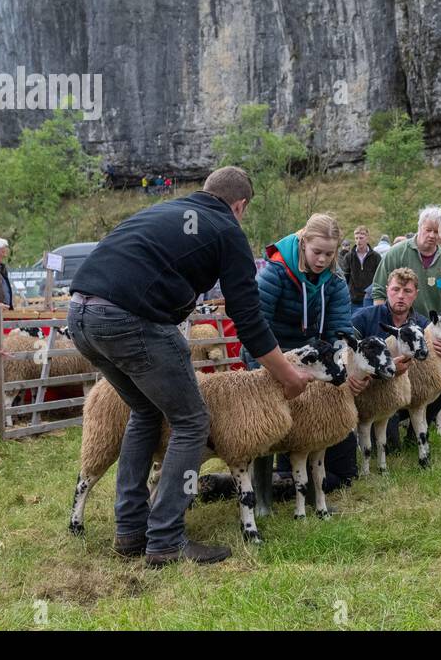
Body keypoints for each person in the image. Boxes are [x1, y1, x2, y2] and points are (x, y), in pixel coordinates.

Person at [66, 166, 310, 567]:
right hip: (129, 319)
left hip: (79, 315)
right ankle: (165, 539)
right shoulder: (227, 229)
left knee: (145, 409)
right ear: (240, 205)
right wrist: (287, 374)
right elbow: (247, 318)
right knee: (192, 420)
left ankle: (130, 530)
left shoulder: (165, 211)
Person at [253, 213, 365, 501]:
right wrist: (272, 373)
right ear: (303, 244)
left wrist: (344, 372)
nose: (323, 260)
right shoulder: (274, 273)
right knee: (270, 428)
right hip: (272, 359)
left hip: (317, 365)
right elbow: (255, 326)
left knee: (345, 472)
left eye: (330, 254)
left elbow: (339, 332)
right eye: (317, 252)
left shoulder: (335, 281)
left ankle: (295, 482)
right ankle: (261, 493)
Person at [353, 268, 441, 453]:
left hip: (407, 389)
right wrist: (385, 370)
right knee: (389, 448)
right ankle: (386, 422)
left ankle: (416, 434)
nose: (400, 296)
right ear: (386, 290)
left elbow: (436, 365)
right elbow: (348, 355)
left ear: (416, 294)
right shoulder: (364, 318)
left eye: (407, 291)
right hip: (372, 393)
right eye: (395, 289)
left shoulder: (423, 325)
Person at [370, 206, 441, 317]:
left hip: (430, 329)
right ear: (419, 227)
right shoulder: (396, 253)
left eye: (437, 232)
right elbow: (379, 291)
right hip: (397, 327)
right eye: (428, 230)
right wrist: (381, 323)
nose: (432, 235)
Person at [340, 225, 381, 307]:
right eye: (356, 238)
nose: (358, 241)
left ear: (367, 238)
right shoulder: (349, 256)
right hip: (353, 299)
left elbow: (379, 278)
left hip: (370, 298)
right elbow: (345, 278)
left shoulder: (376, 256)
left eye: (361, 238)